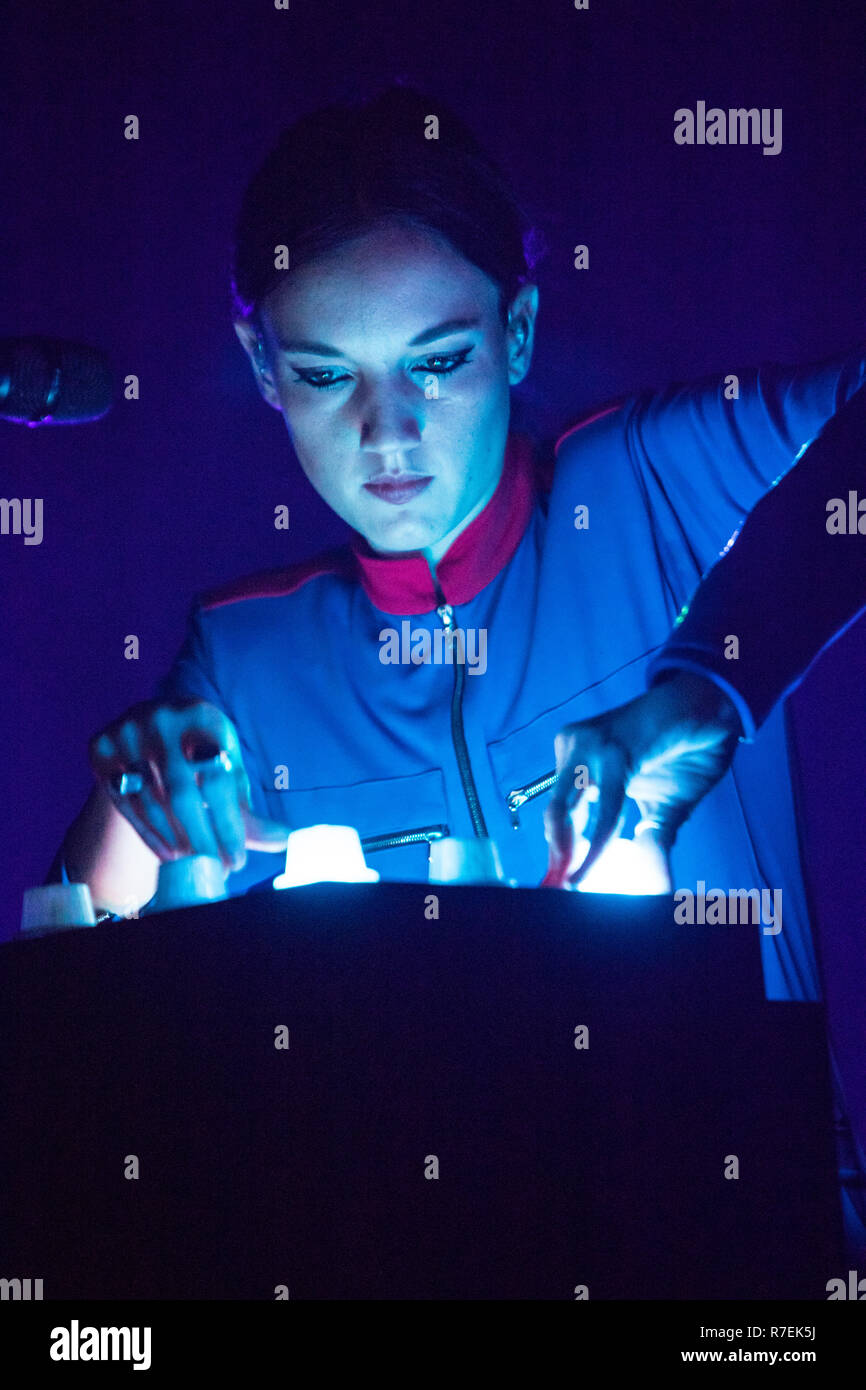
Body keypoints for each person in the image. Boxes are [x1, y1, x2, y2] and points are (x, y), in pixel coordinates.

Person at [45, 84, 865, 1249]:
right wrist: (133, 805)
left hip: (744, 1253)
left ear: (517, 330)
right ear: (259, 360)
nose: (387, 434)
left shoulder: (654, 487)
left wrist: (706, 684)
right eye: (327, 374)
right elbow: (63, 1043)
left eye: (437, 361)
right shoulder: (242, 658)